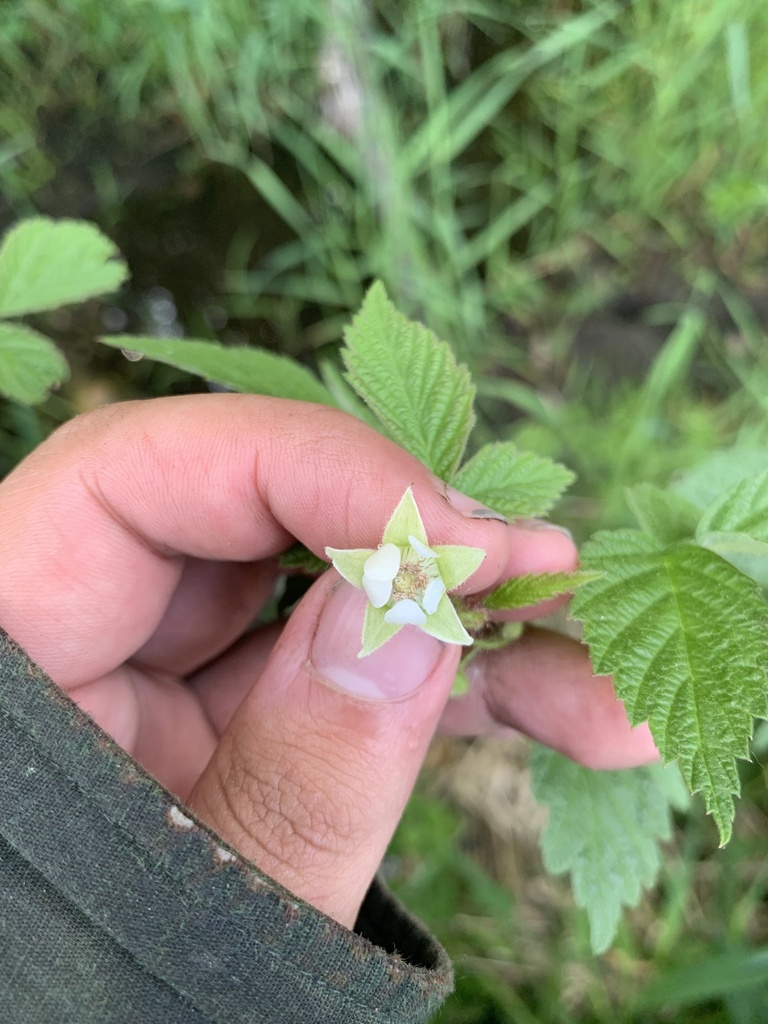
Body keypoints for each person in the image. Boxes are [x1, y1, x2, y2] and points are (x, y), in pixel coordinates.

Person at [0, 394, 658, 1023]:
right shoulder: (391, 580)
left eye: (417, 578)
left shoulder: (410, 577)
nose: (409, 581)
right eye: (404, 577)